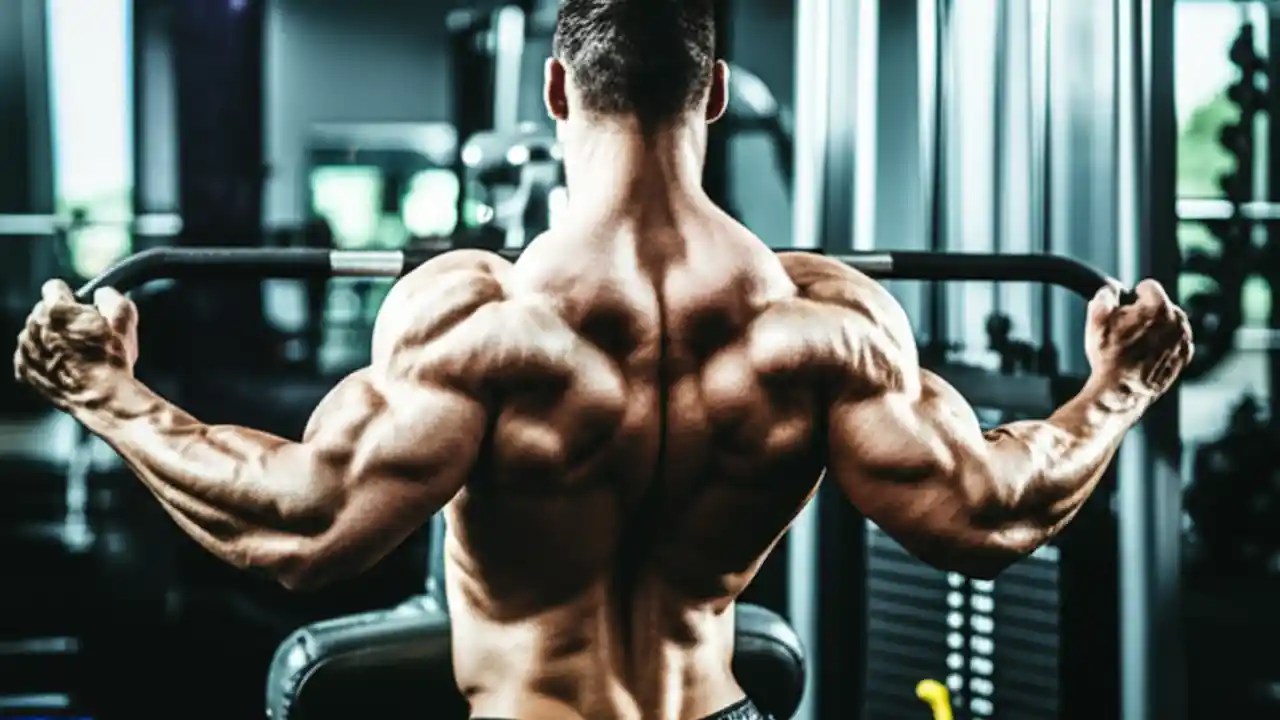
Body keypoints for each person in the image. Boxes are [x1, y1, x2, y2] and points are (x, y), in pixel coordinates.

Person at [14, 1, 1192, 719]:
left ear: (554, 89)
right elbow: (986, 514)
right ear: (715, 95)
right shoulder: (824, 323)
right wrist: (1118, 388)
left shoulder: (478, 319)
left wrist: (106, 394)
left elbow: (301, 530)